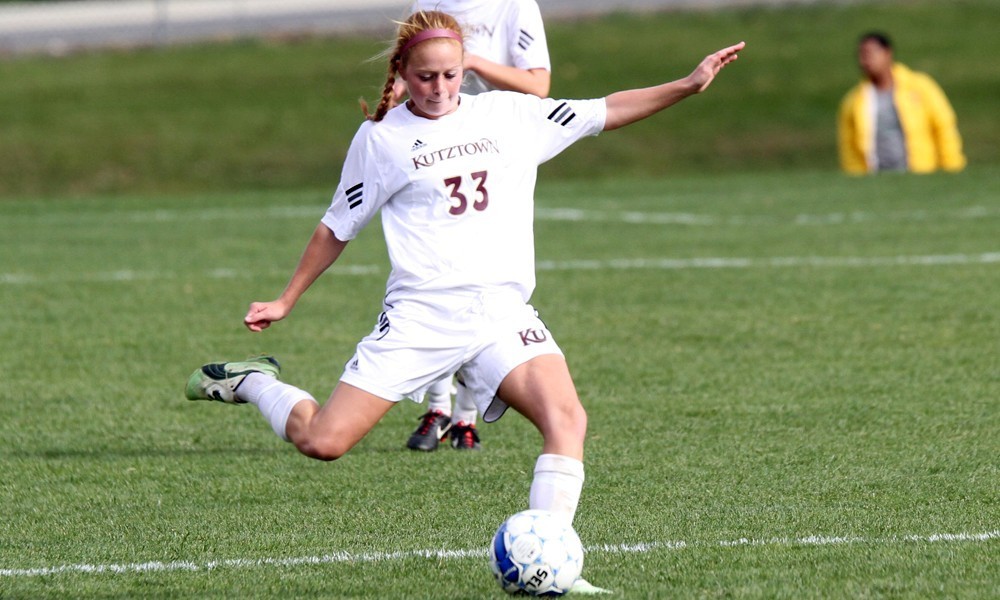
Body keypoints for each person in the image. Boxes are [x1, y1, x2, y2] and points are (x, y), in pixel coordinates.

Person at [185, 9, 743, 590]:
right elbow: (336, 227)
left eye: (451, 75)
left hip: (501, 314)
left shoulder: (508, 114)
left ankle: (551, 566)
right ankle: (255, 382)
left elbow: (606, 110)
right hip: (422, 318)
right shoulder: (382, 138)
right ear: (401, 71)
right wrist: (285, 300)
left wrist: (687, 84)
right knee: (324, 442)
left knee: (566, 419)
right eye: (426, 77)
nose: (440, 88)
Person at [401, 0, 553, 453]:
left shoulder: (515, 6)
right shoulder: (427, 3)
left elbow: (538, 86)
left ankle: (464, 419)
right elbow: (407, 70)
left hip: (492, 155)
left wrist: (470, 61)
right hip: (434, 154)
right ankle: (436, 406)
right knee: (432, 277)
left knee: (481, 284)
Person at [838, 31, 966, 174]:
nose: (864, 61)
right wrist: (855, 178)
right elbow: (849, 148)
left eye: (869, 54)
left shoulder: (920, 86)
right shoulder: (854, 101)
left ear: (887, 53)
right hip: (876, 177)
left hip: (918, 173)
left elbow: (944, 127)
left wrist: (952, 166)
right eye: (861, 55)